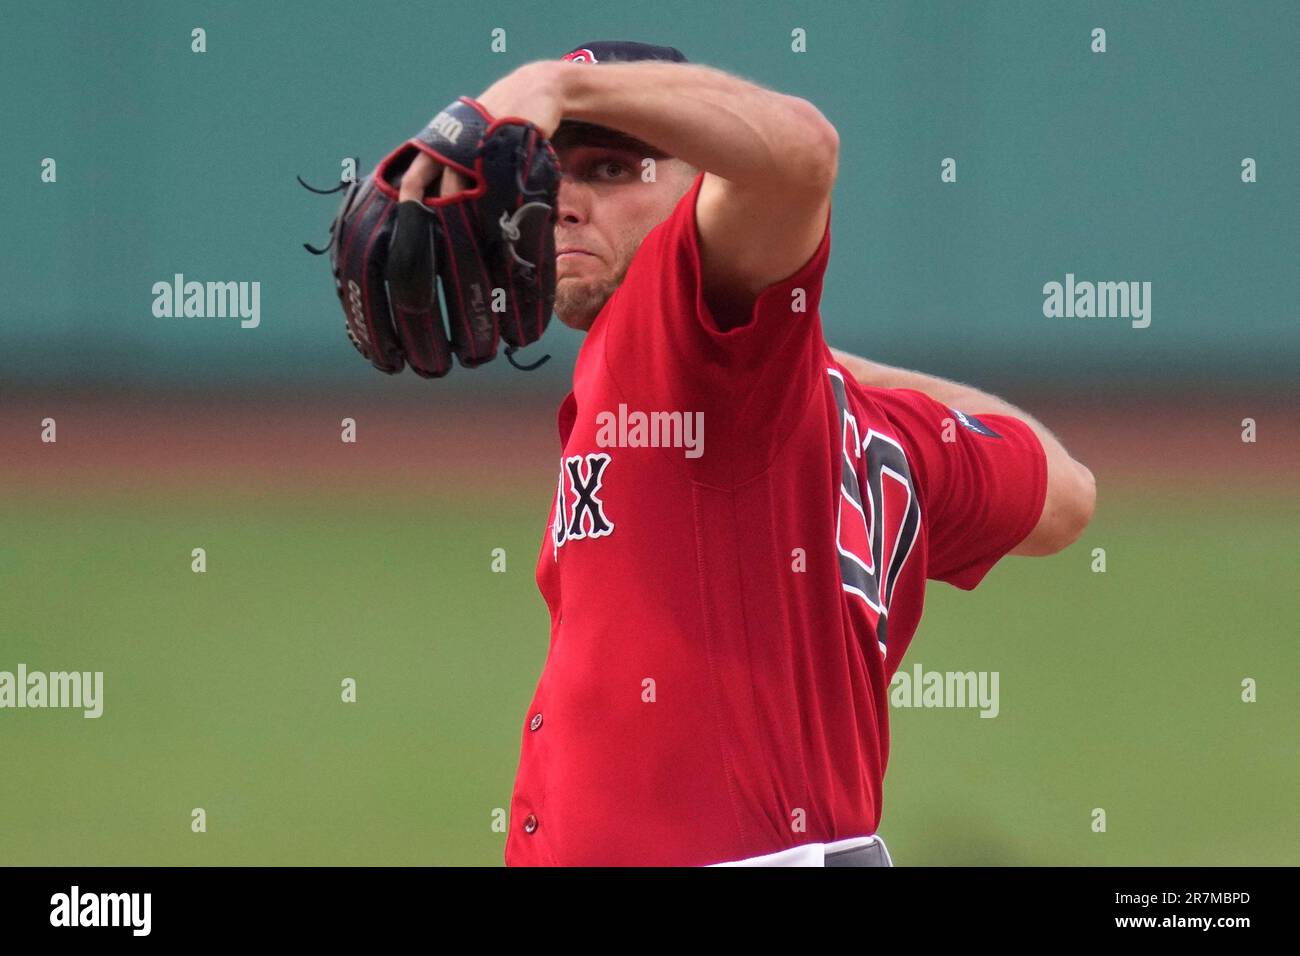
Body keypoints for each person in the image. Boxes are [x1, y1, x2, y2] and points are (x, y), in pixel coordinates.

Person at [399, 40, 1096, 867]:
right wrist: (818, 359)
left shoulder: (667, 325)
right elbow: (1064, 495)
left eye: (614, 170)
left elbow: (803, 153)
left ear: (706, 189)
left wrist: (556, 83)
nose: (568, 204)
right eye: (554, 177)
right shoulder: (860, 420)